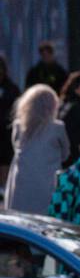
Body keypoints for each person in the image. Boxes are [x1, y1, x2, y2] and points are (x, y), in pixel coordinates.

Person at [3, 85, 69, 215]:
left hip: (20, 185)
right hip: (47, 185)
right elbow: (66, 154)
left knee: (20, 225)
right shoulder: (57, 128)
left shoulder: (18, 126)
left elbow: (15, 146)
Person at [0, 57, 21, 188]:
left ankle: (4, 187)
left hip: (7, 132)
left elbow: (18, 107)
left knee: (5, 161)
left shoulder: (12, 88)